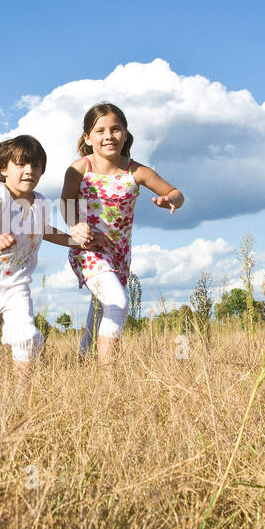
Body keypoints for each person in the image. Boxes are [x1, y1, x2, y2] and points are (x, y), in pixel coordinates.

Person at [62, 102, 184, 365]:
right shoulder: (80, 169)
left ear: (125, 134)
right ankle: (108, 377)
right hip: (88, 251)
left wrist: (169, 199)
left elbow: (176, 193)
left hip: (118, 255)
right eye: (100, 131)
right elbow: (66, 202)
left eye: (115, 129)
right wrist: (75, 226)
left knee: (100, 310)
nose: (108, 136)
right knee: (117, 302)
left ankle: (82, 363)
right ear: (88, 138)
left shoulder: (136, 171)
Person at [0, 135, 92, 378]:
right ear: (4, 168)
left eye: (36, 166)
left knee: (25, 335)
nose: (29, 171)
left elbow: (45, 230)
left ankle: (22, 393)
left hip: (17, 284)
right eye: (21, 164)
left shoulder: (40, 202)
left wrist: (76, 241)